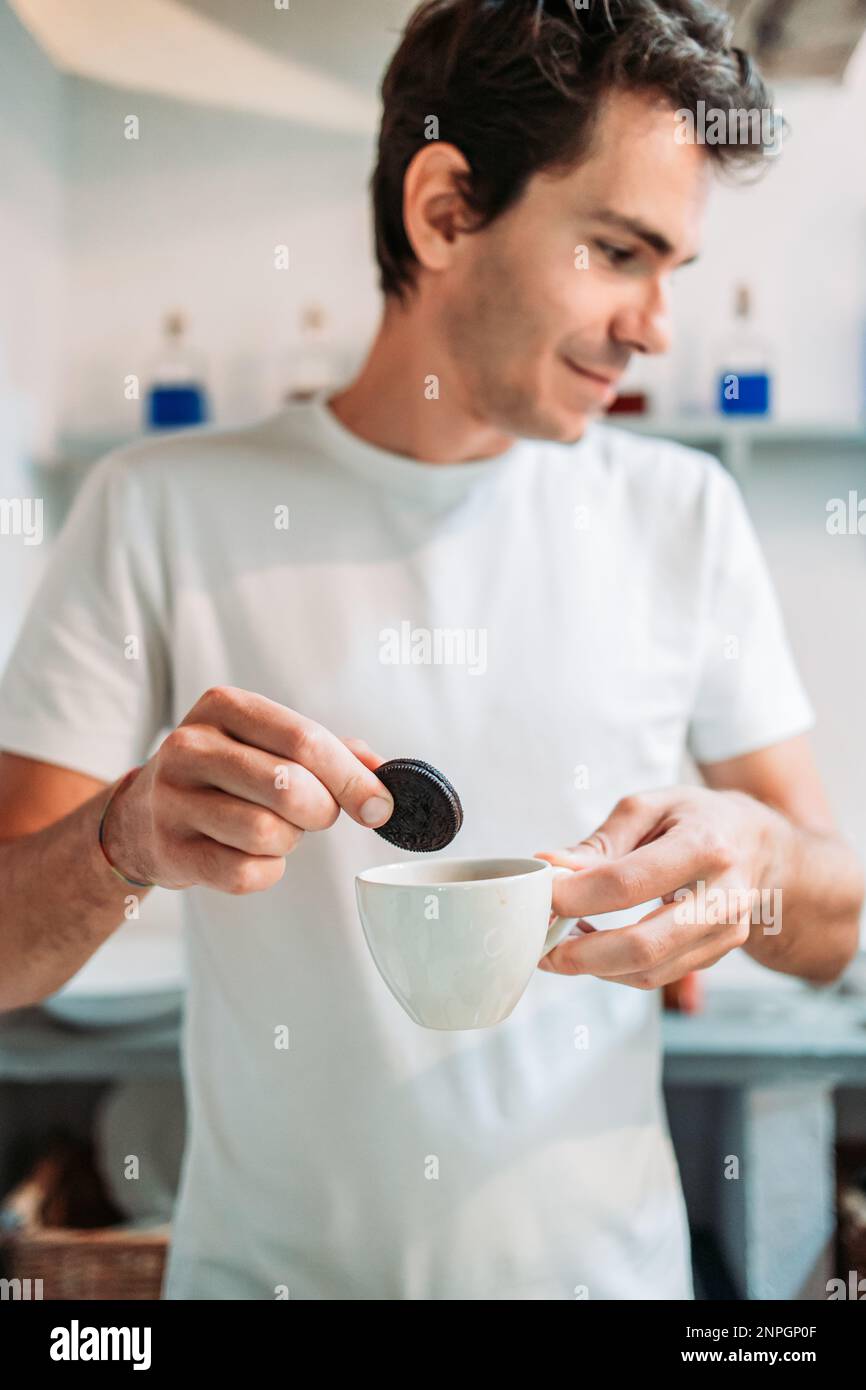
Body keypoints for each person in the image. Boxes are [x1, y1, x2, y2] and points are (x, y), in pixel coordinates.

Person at [0, 0, 861, 1300]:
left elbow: (832, 925)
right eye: (618, 250)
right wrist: (121, 838)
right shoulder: (156, 506)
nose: (655, 327)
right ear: (445, 208)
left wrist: (752, 865)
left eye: (674, 269)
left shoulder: (681, 513)